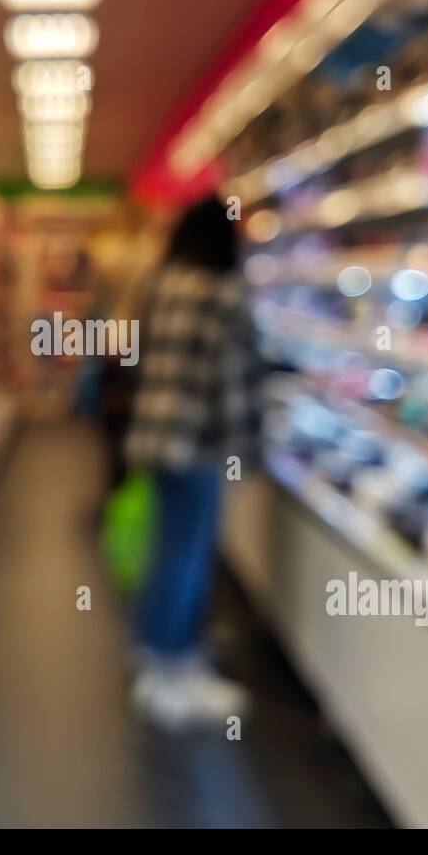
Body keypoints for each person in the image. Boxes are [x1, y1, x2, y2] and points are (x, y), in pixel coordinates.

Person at [123, 193, 262, 731]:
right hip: (196, 443)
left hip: (154, 434)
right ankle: (172, 674)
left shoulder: (161, 282)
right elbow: (230, 383)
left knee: (169, 550)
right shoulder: (223, 292)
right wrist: (245, 456)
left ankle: (160, 653)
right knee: (187, 557)